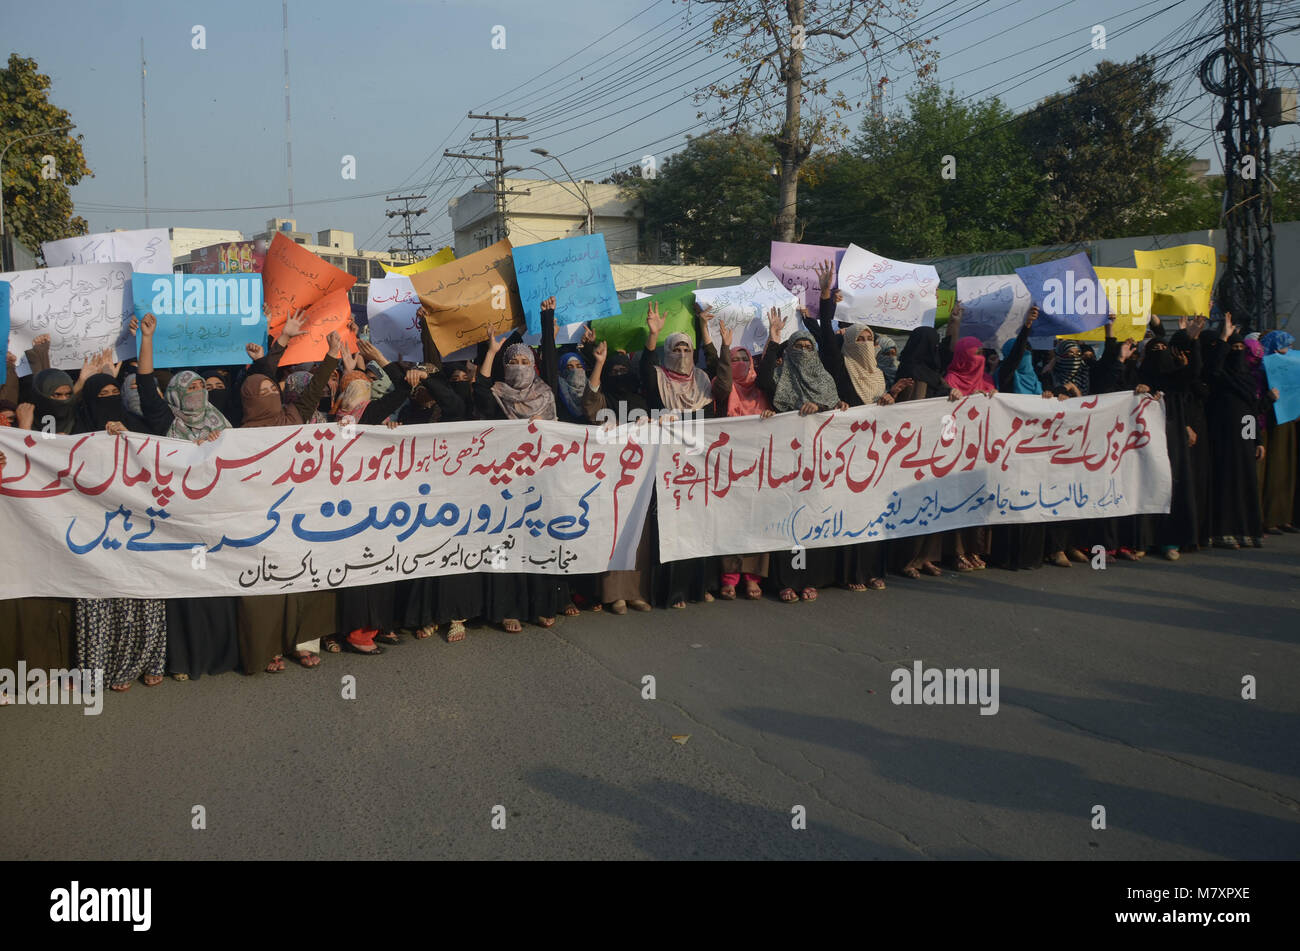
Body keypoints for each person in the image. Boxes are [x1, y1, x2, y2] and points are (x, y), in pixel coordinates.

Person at [237, 324, 342, 670]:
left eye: (273, 388)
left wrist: (331, 354)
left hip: (299, 512)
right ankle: (268, 648)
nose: (269, 392)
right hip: (259, 519)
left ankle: (304, 642)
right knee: (266, 585)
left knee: (305, 575)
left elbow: (312, 392)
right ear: (249, 400)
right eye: (262, 390)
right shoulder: (237, 437)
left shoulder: (293, 416)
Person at [758, 300, 844, 602]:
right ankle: (786, 580)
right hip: (786, 461)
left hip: (818, 463)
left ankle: (809, 579)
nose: (804, 351)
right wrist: (775, 338)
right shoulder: (782, 379)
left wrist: (822, 408)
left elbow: (834, 410)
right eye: (798, 347)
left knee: (813, 519)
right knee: (787, 520)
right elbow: (764, 377)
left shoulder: (826, 380)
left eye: (809, 347)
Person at [1205, 313, 1265, 549]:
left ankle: (1247, 531)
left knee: (1246, 483)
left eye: (1241, 347)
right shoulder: (1221, 376)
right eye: (1234, 347)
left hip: (1244, 437)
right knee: (1226, 483)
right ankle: (1223, 532)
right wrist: (1223, 338)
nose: (1238, 351)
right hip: (1222, 437)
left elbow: (1252, 410)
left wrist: (1256, 441)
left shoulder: (1248, 380)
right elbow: (1214, 370)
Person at [1258, 331, 1296, 535]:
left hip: (1287, 418)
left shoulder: (1290, 363)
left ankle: (1284, 516)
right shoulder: (1263, 365)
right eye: (1284, 345)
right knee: (1272, 467)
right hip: (1269, 419)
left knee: (1285, 467)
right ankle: (1269, 518)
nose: (1287, 349)